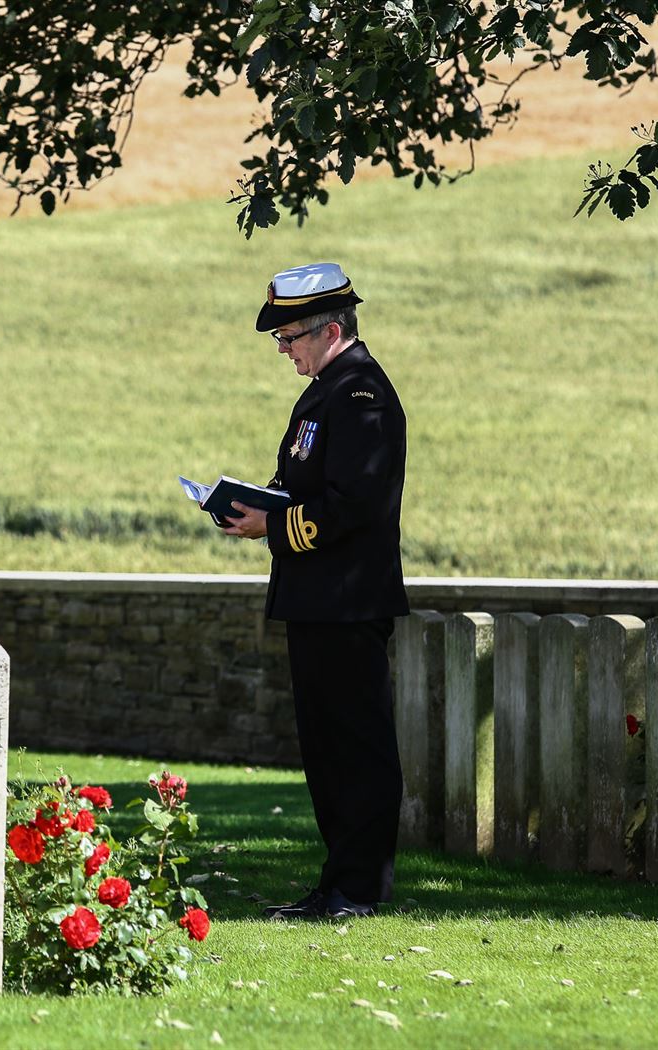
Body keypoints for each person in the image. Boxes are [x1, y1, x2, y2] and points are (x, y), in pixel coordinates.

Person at [222, 261, 409, 920]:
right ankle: (337, 883)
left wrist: (270, 526)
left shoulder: (360, 395)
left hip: (347, 600)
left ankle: (358, 887)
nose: (284, 350)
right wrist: (250, 505)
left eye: (290, 337)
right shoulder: (325, 390)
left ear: (330, 329)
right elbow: (301, 484)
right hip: (315, 599)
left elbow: (350, 504)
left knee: (355, 747)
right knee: (325, 752)